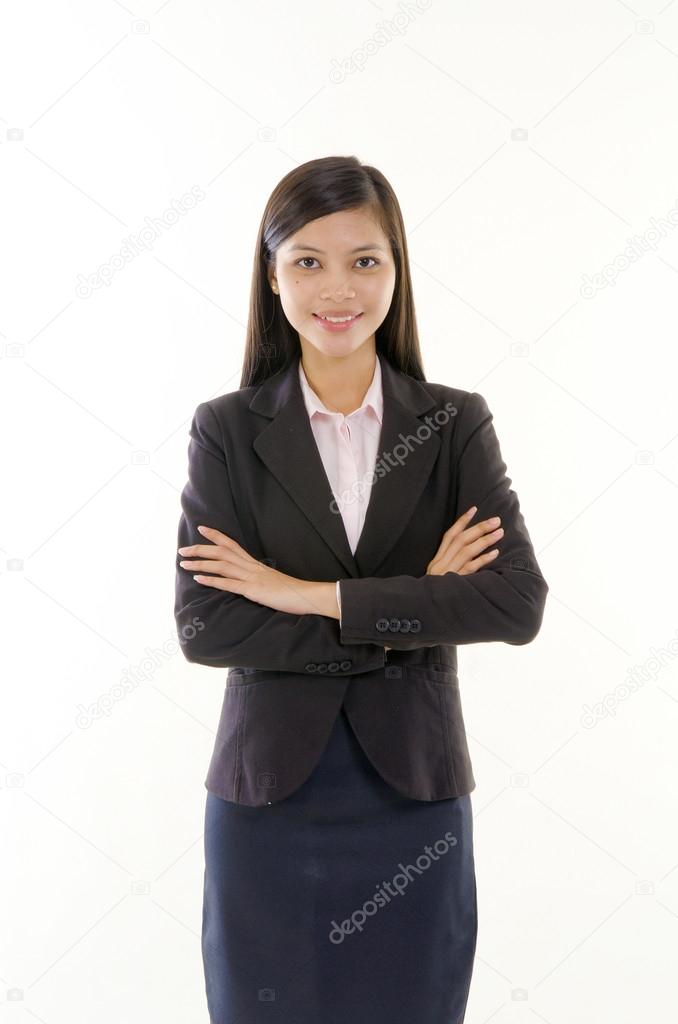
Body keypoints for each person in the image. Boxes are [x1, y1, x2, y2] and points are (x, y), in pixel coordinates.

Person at [174, 154, 549, 1024]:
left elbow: (514, 603)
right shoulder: (228, 430)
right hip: (268, 802)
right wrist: (415, 599)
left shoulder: (454, 424)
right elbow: (207, 625)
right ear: (272, 277)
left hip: (411, 799)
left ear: (397, 270)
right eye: (307, 260)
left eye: (364, 260)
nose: (336, 288)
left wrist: (301, 593)